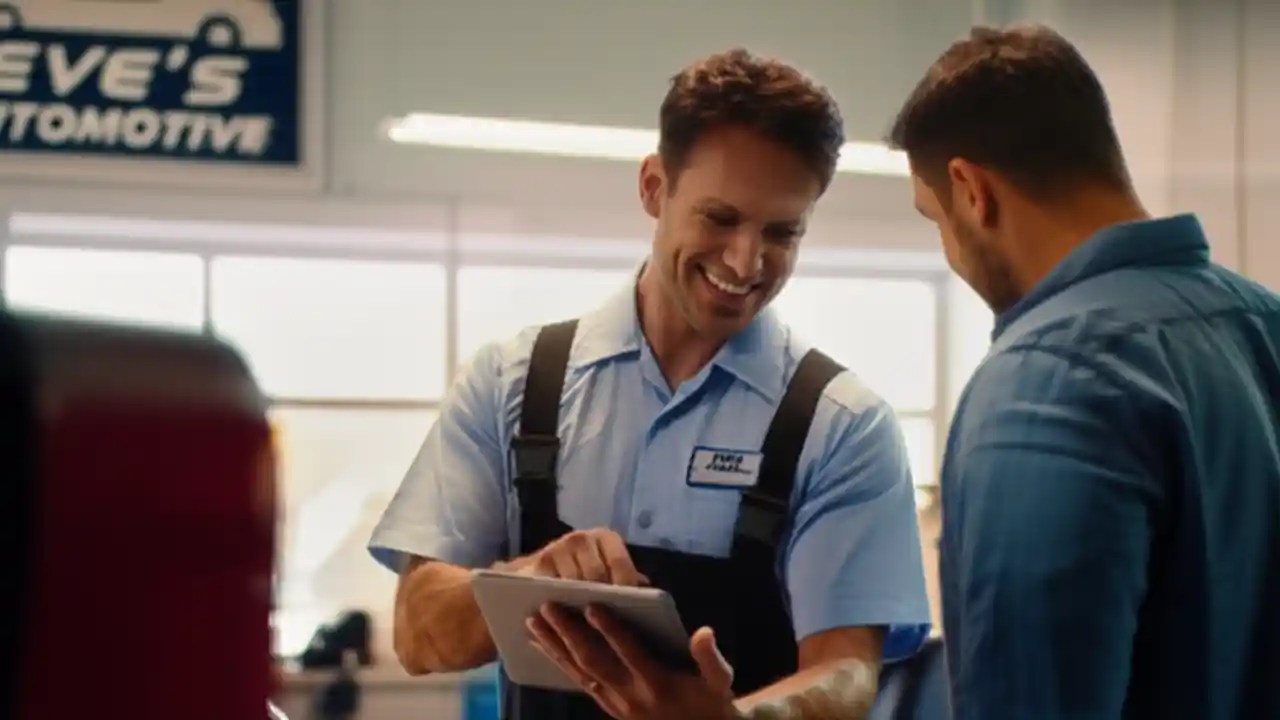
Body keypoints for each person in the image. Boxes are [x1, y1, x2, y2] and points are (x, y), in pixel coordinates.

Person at [368, 48, 932, 720]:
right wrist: (533, 580)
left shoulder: (840, 425)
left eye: (781, 232)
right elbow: (419, 633)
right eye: (720, 219)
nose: (747, 261)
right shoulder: (512, 387)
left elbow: (845, 673)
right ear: (654, 188)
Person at [888, 23, 1280, 720]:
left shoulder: (1046, 376)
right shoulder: (1264, 325)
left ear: (971, 191)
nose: (948, 246)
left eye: (934, 220)